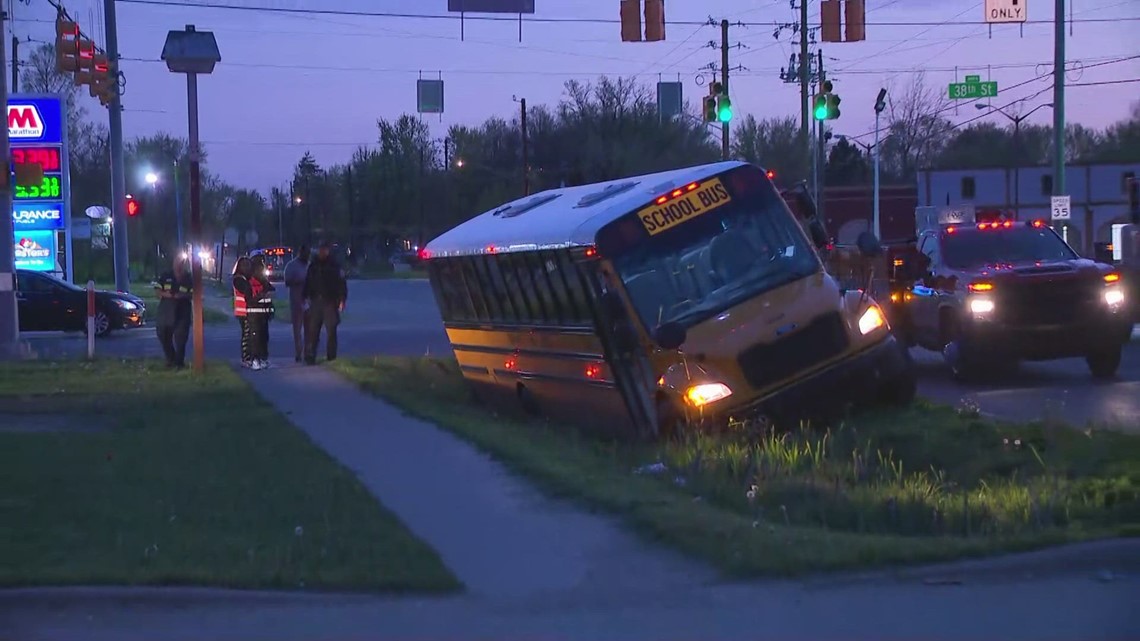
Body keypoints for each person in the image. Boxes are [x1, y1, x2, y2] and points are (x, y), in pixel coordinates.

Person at [302, 240, 348, 365]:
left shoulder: (334, 266)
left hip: (330, 301)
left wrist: (342, 300)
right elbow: (308, 282)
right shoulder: (313, 266)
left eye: (324, 249)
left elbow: (341, 284)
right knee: (313, 331)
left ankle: (331, 356)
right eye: (320, 249)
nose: (322, 252)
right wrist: (305, 298)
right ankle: (310, 355)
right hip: (315, 301)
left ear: (328, 251)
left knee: (331, 330)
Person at [153, 254, 193, 368]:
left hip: (182, 309)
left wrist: (182, 295)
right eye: (177, 261)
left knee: (180, 337)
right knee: (163, 333)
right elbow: (157, 290)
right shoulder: (166, 275)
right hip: (166, 308)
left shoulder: (188, 278)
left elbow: (193, 293)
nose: (178, 264)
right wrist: (165, 294)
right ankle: (170, 359)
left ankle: (179, 363)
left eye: (181, 262)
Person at [248, 254, 276, 370]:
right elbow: (250, 297)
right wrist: (262, 295)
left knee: (264, 336)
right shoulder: (251, 280)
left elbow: (271, 291)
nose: (262, 267)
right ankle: (255, 359)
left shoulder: (263, 280)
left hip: (263, 312)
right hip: (254, 312)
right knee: (255, 336)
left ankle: (263, 358)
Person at [283, 245, 310, 363]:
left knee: (310, 329)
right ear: (300, 253)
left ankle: (308, 352)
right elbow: (287, 281)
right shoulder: (291, 266)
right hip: (296, 301)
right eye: (305, 254)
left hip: (310, 302)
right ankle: (298, 352)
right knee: (297, 329)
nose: (307, 256)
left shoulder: (310, 266)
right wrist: (299, 281)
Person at [232, 256, 254, 368]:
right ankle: (246, 358)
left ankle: (250, 357)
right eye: (244, 265)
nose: (247, 267)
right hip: (243, 311)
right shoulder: (238, 279)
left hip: (248, 311)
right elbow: (247, 292)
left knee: (250, 335)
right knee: (247, 335)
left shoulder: (247, 279)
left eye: (248, 264)